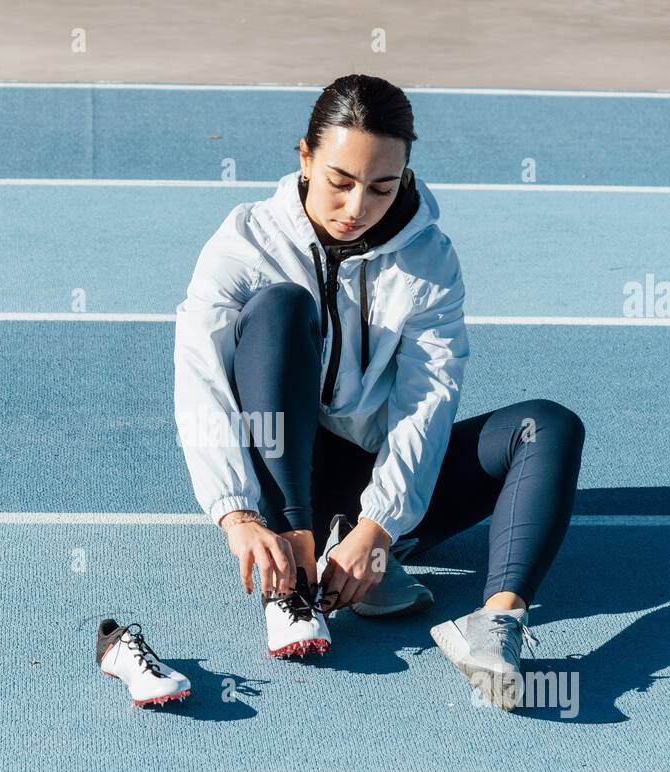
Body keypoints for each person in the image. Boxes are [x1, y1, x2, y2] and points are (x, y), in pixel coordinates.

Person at [173, 74, 585, 704]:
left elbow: (428, 399)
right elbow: (201, 382)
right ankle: (296, 571)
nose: (357, 206)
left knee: (548, 426)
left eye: (381, 188)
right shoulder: (246, 242)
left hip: (380, 488)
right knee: (281, 307)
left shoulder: (430, 260)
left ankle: (493, 623)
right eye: (339, 181)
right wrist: (236, 512)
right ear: (304, 158)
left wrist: (379, 527)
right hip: (285, 470)